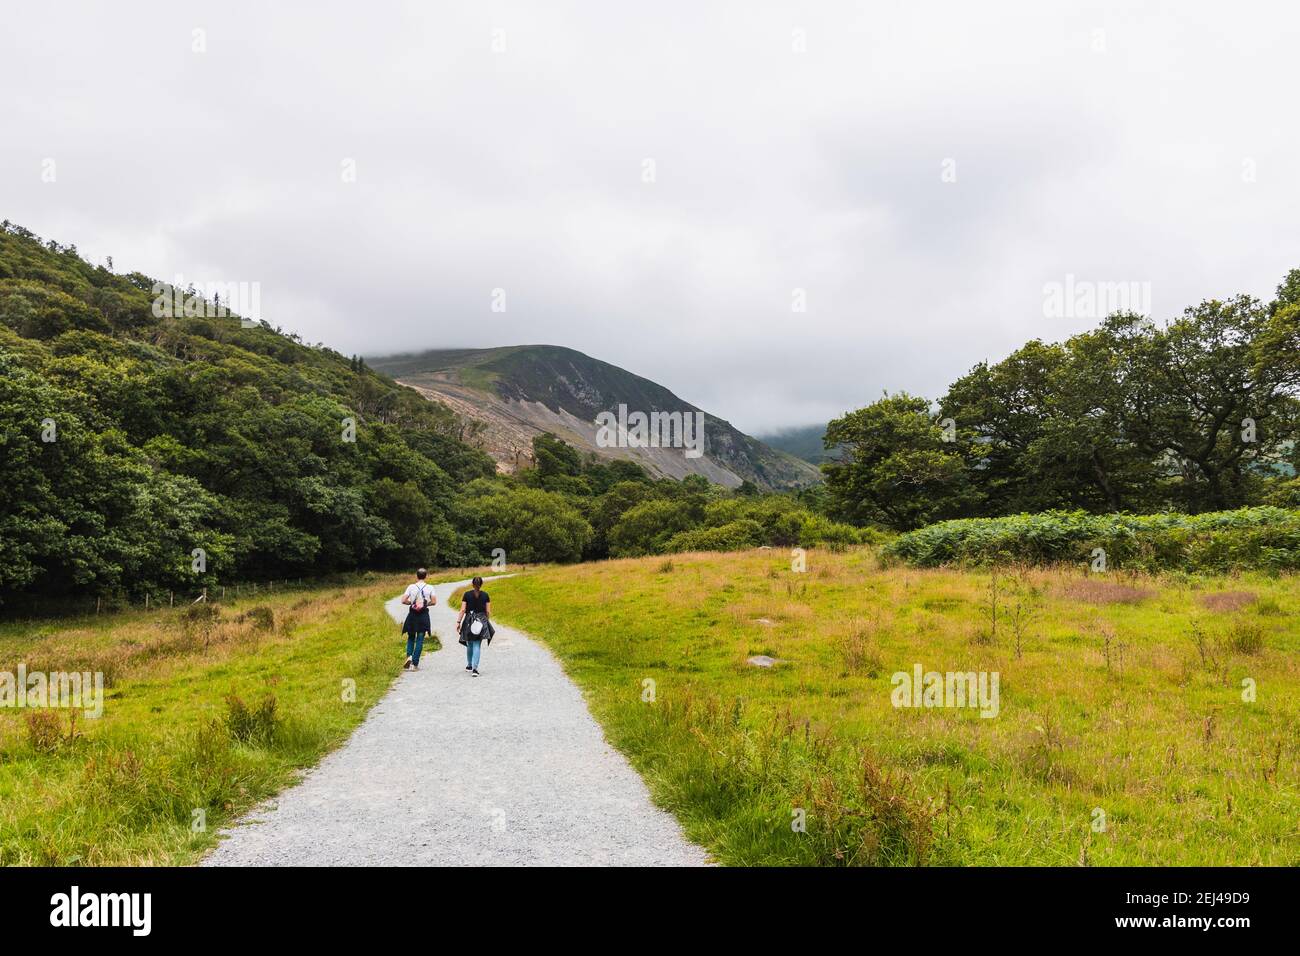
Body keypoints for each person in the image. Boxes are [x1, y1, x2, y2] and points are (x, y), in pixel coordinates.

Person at [455, 576, 493, 677]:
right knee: (477, 645)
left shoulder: (467, 595)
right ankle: (475, 669)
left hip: (469, 620)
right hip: (481, 620)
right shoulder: (485, 595)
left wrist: (458, 622)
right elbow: (488, 611)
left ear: (472, 584)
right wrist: (486, 621)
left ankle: (469, 665)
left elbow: (463, 610)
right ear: (481, 584)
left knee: (470, 644)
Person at [400, 568, 436, 671]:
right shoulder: (430, 587)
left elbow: (403, 600)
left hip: (412, 615)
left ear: (417, 576)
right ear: (426, 576)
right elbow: (434, 602)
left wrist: (413, 603)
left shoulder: (411, 587)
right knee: (420, 639)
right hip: (423, 616)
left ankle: (409, 657)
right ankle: (415, 664)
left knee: (411, 637)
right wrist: (424, 604)